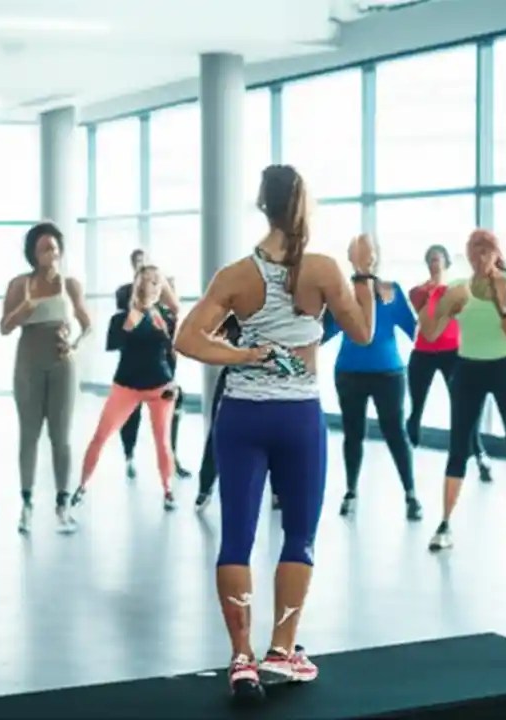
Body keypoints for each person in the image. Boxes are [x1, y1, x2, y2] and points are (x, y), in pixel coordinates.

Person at [174, 164, 377, 701]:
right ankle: (282, 651)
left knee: (236, 537)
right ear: (302, 204)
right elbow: (362, 332)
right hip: (298, 417)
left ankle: (241, 660)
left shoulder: (236, 275)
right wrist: (364, 273)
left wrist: (243, 353)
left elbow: (188, 339)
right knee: (299, 536)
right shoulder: (325, 269)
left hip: (241, 414)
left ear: (263, 206)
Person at [423, 229, 506, 556]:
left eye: (485, 251)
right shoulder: (457, 289)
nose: (479, 258)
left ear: (496, 253)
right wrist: (433, 305)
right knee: (458, 446)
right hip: (468, 370)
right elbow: (432, 333)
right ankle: (445, 525)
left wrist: (503, 304)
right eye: (473, 251)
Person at [0, 222, 92, 534]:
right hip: (29, 358)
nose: (50, 253)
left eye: (53, 247)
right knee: (29, 433)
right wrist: (24, 308)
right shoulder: (19, 284)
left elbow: (87, 324)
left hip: (61, 360)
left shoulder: (71, 285)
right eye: (43, 248)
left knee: (61, 435)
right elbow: (4, 326)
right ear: (33, 254)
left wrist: (75, 344)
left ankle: (63, 504)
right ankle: (26, 503)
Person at [321, 246, 421, 520]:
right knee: (353, 433)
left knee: (395, 433)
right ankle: (351, 491)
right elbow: (324, 332)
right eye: (360, 255)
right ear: (352, 258)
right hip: (349, 373)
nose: (366, 260)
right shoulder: (343, 293)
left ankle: (410, 493)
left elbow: (415, 331)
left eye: (371, 256)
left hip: (388, 373)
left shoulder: (391, 291)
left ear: (377, 259)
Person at [72, 266, 179, 514]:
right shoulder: (122, 318)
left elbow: (172, 353)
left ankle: (168, 489)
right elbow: (117, 341)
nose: (152, 288)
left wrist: (173, 383)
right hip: (126, 386)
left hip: (160, 385)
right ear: (138, 285)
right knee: (101, 436)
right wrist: (138, 311)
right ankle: (82, 485)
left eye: (156, 283)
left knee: (163, 441)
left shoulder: (165, 317)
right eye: (147, 283)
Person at [406, 244, 492, 481]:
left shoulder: (458, 289)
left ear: (445, 263)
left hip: (452, 352)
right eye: (431, 259)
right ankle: (408, 452)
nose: (435, 263)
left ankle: (479, 455)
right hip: (423, 352)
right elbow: (425, 316)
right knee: (416, 409)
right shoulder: (418, 291)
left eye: (439, 259)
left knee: (464, 408)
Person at [114, 250, 190, 480]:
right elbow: (128, 320)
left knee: (172, 407)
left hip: (162, 364)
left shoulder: (163, 292)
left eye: (145, 262)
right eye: (137, 263)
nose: (142, 267)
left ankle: (172, 456)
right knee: (131, 412)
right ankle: (129, 455)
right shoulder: (125, 292)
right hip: (135, 366)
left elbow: (175, 314)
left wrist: (164, 284)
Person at [194, 315, 242, 511]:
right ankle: (205, 487)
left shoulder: (280, 313)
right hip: (234, 379)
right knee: (217, 433)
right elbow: (206, 334)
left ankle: (278, 492)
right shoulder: (236, 315)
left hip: (270, 383)